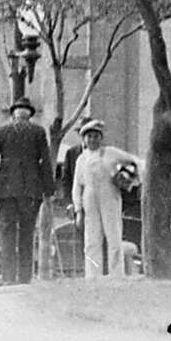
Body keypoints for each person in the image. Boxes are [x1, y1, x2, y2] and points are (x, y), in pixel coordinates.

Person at [0, 97, 53, 285]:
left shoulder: (2, 131)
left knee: (7, 234)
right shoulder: (38, 132)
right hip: (30, 191)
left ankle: (8, 278)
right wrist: (48, 189)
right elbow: (46, 162)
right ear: (30, 114)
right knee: (27, 234)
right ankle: (24, 278)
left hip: (5, 191)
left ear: (13, 113)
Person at [69, 118, 139, 278]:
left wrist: (127, 177)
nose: (92, 140)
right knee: (92, 239)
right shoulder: (81, 159)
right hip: (90, 198)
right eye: (89, 136)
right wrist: (78, 209)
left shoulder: (111, 153)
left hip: (110, 196)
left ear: (101, 138)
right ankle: (93, 275)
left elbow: (134, 162)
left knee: (113, 235)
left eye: (96, 136)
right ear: (84, 139)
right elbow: (76, 186)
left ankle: (116, 274)